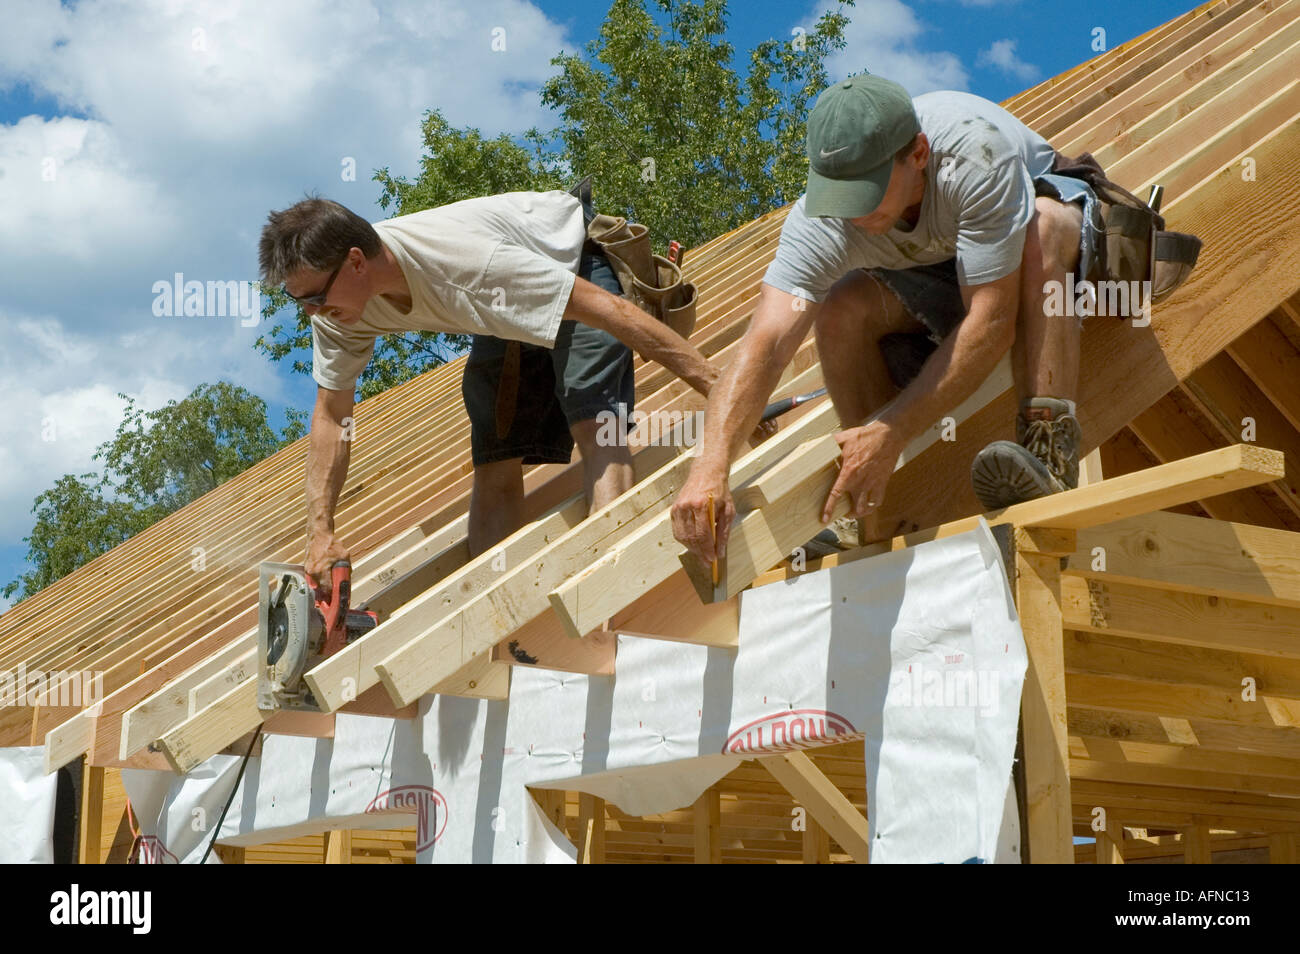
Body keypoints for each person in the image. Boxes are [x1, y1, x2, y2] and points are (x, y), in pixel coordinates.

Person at [672, 74, 1102, 562]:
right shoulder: (821, 221)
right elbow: (766, 343)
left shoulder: (975, 156)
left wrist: (894, 427)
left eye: (867, 192)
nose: (853, 215)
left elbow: (993, 320)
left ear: (918, 154)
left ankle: (1049, 451)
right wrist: (711, 467)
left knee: (1042, 228)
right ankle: (873, 502)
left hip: (1050, 259)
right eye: (841, 195)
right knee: (839, 308)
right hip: (952, 275)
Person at [258, 191, 717, 585]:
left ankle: (611, 596)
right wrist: (319, 532)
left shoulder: (464, 266)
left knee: (597, 424)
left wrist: (722, 396)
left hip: (568, 256)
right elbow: (332, 415)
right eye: (300, 301)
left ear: (356, 261)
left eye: (316, 298)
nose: (312, 313)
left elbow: (609, 311)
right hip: (497, 303)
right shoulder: (340, 312)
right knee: (496, 449)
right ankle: (502, 626)